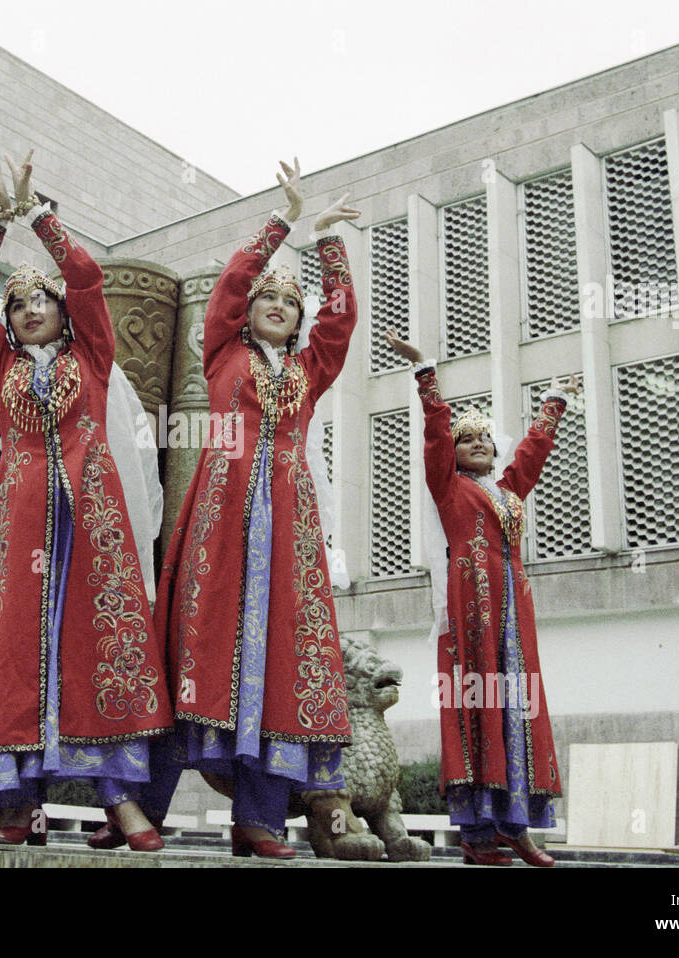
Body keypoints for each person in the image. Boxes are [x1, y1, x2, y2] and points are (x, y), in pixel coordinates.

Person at [0, 150, 170, 850]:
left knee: (97, 647)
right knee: (13, 654)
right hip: (18, 521)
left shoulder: (90, 357)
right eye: (19, 304)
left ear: (64, 314)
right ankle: (15, 805)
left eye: (42, 299)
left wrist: (38, 214)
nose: (30, 308)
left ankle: (120, 802)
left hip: (93, 521)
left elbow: (90, 278)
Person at [151, 159, 361, 858]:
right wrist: (284, 221)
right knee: (194, 653)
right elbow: (232, 285)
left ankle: (260, 819)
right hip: (220, 518)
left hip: (291, 527)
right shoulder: (220, 353)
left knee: (280, 667)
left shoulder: (309, 370)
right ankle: (143, 813)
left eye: (290, 302)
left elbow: (342, 322)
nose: (277, 304)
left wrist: (329, 245)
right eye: (267, 298)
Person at [386, 330, 578, 867]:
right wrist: (426, 373)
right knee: (477, 706)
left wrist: (554, 403)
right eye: (465, 439)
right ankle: (477, 836)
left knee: (517, 706)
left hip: (515, 609)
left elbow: (532, 454)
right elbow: (434, 437)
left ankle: (517, 828)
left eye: (484, 439)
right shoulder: (448, 486)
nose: (475, 444)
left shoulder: (508, 491)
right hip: (471, 609)